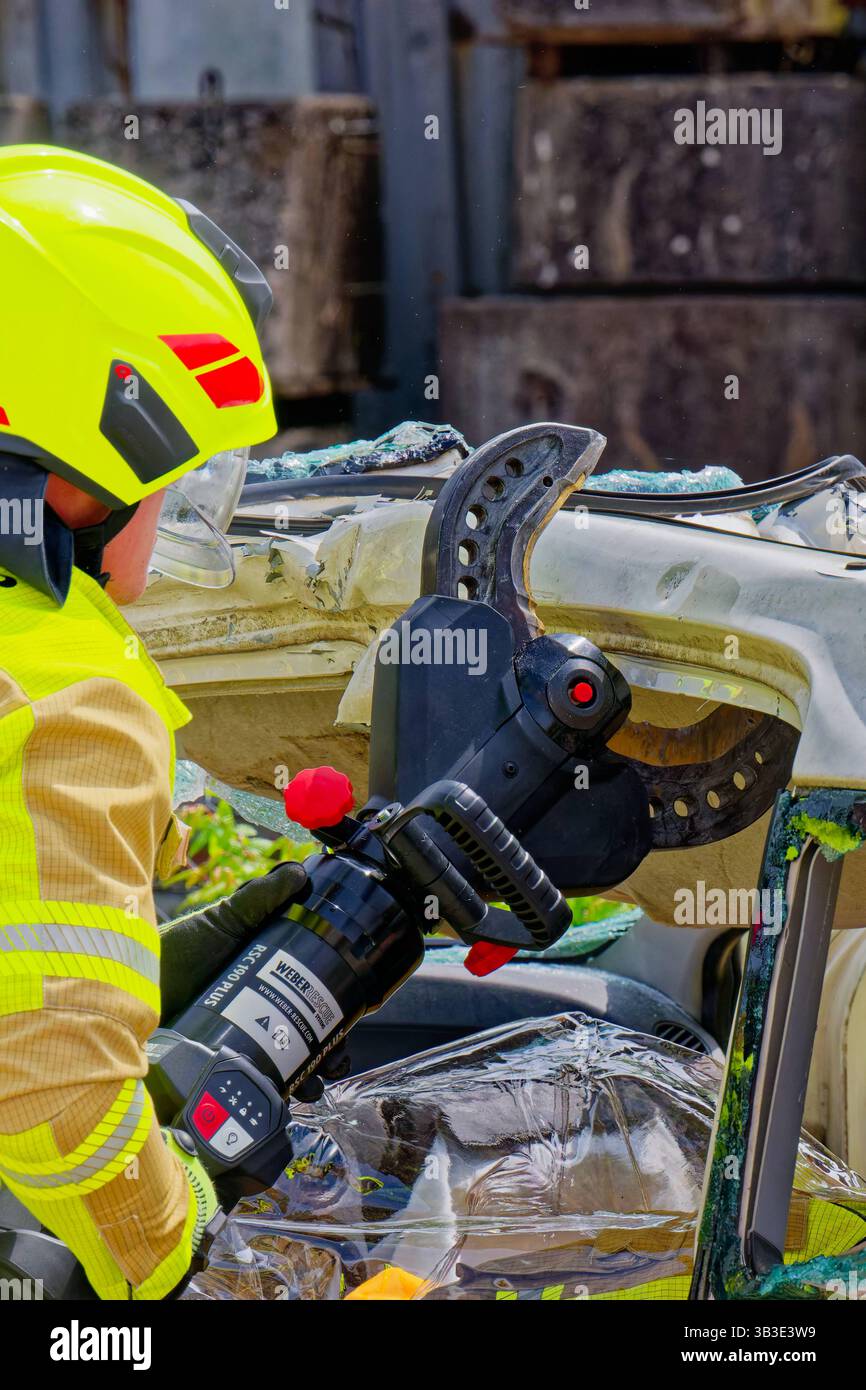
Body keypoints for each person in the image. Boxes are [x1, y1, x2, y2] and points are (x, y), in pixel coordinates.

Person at [0, 144, 307, 1298]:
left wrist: (171, 957)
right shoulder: (68, 692)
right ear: (83, 466)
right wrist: (177, 1244)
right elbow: (49, 1089)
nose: (178, 505)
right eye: (175, 471)